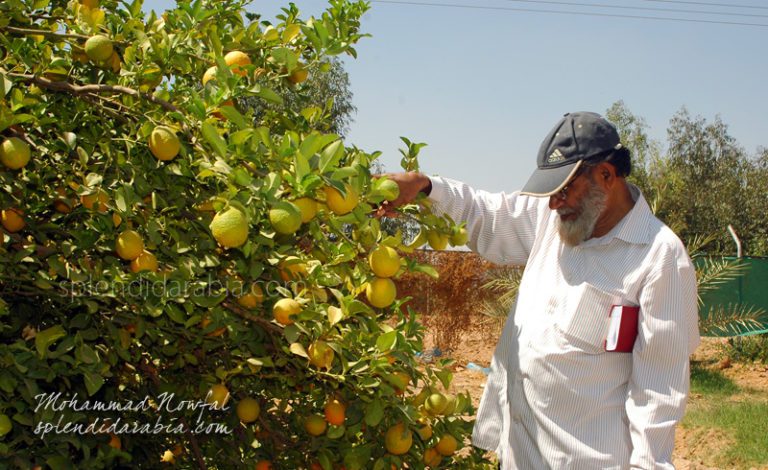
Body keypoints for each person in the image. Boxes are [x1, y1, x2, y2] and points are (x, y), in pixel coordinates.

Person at [378, 112, 700, 469]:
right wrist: (425, 187)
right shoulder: (555, 221)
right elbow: (486, 212)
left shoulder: (658, 257)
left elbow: (657, 394)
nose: (553, 202)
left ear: (606, 175)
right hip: (521, 455)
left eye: (564, 189)